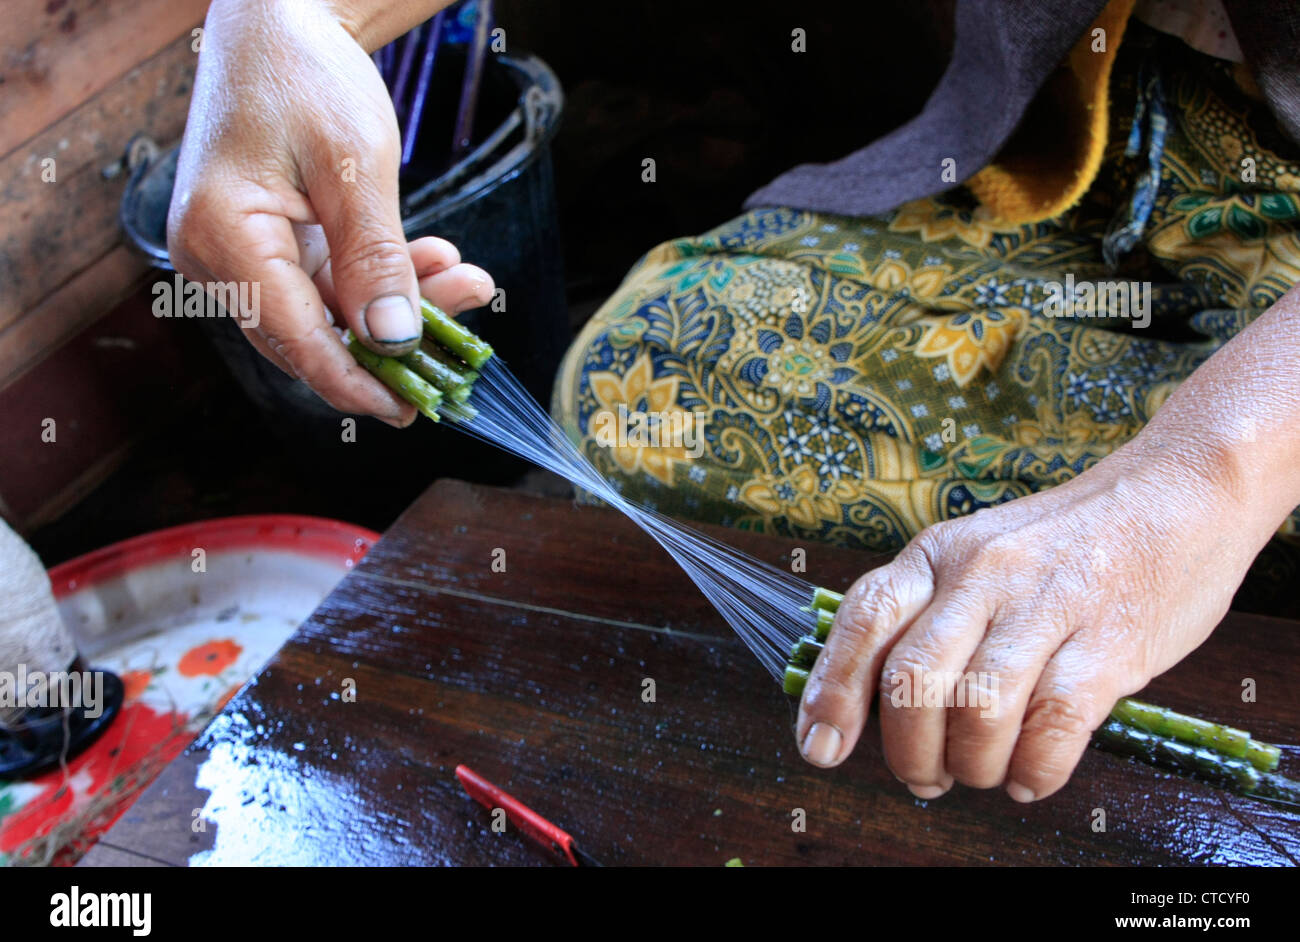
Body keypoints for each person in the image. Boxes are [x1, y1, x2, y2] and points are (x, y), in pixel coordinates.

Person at [168, 0, 1300, 805]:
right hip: (1084, 136)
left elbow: (1202, 474)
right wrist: (273, 20)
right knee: (633, 393)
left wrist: (1202, 474)